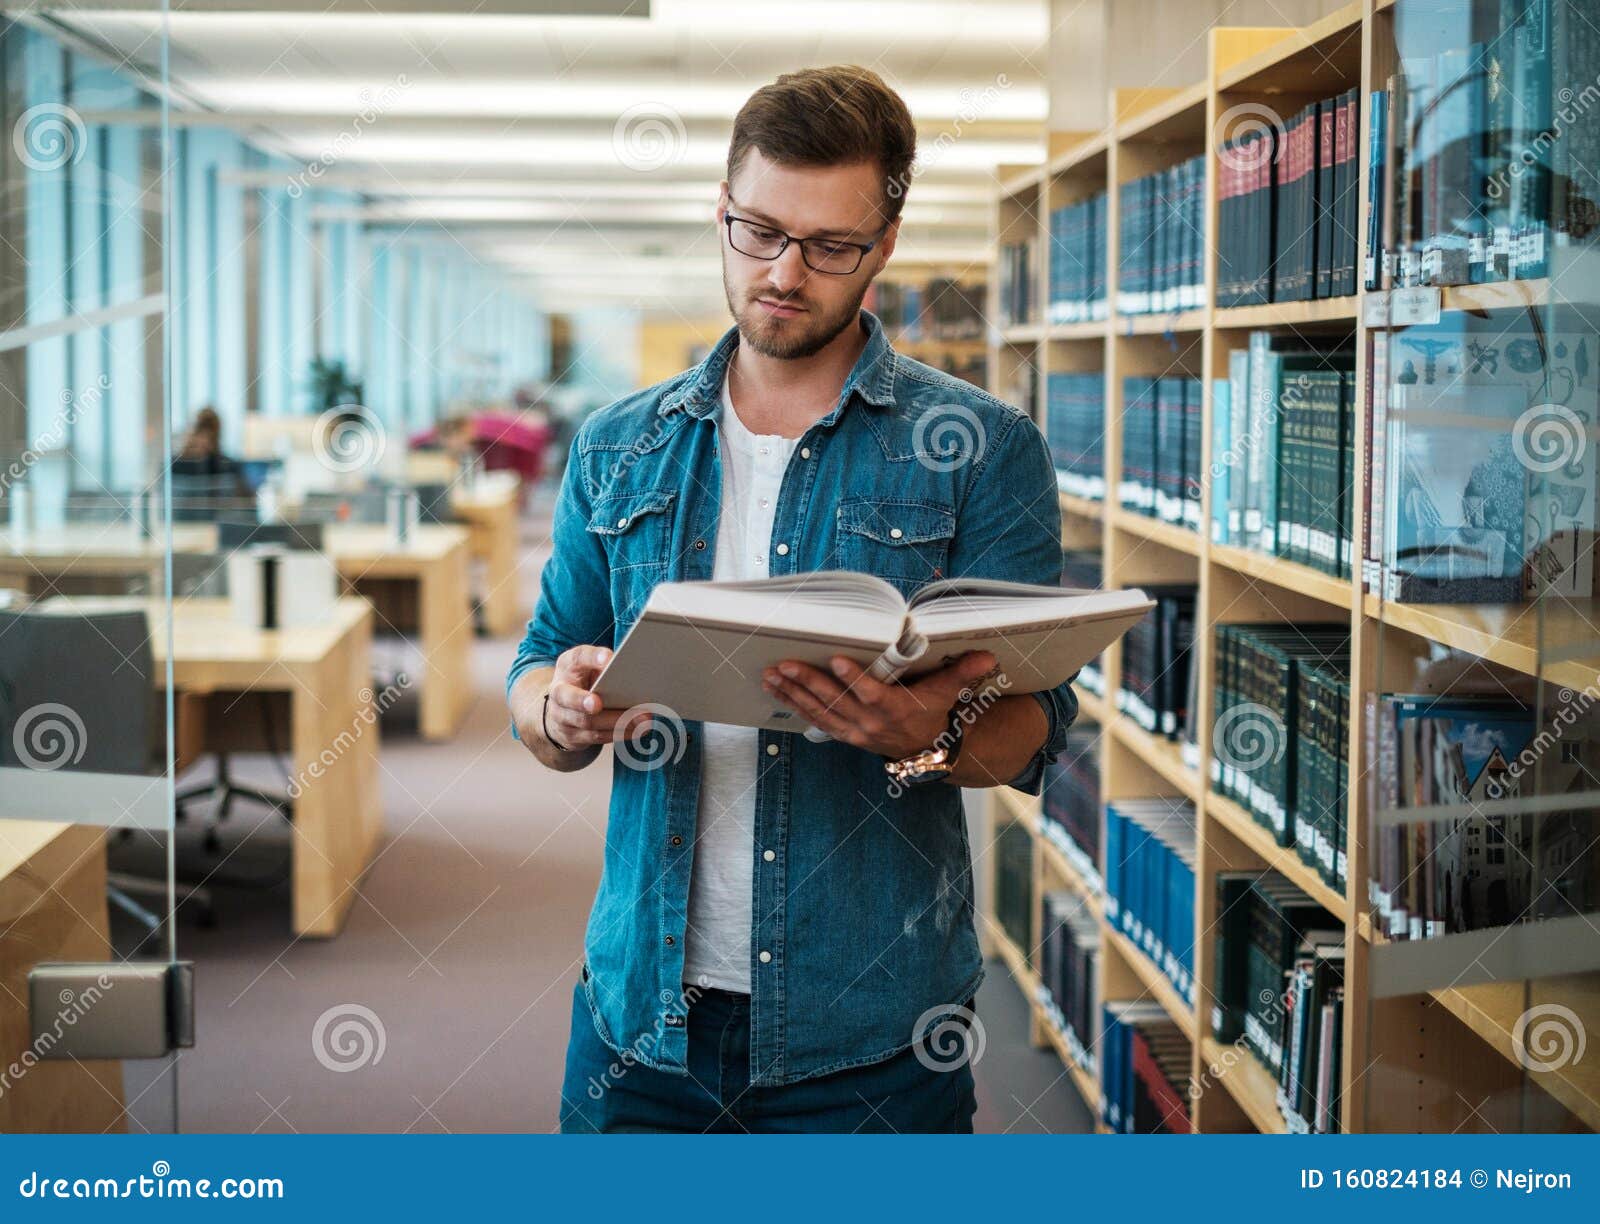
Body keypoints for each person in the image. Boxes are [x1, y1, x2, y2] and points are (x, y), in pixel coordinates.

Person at [506, 65, 1077, 1134]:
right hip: (641, 1024)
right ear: (719, 211)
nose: (782, 271)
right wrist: (557, 707)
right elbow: (538, 663)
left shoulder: (982, 451)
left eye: (829, 247)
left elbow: (1039, 731)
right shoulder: (617, 445)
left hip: (871, 1037)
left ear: (885, 246)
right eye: (757, 231)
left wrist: (929, 732)